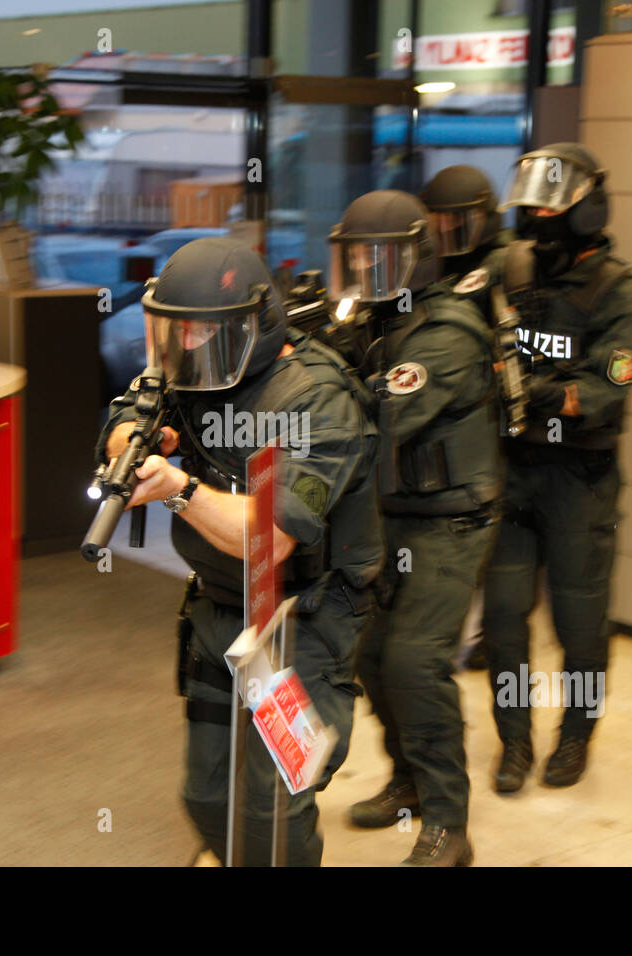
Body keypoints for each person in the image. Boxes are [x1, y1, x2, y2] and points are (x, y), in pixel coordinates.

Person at [95, 237, 382, 866]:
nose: (183, 349)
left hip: (305, 616)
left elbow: (271, 537)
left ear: (253, 326)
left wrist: (175, 487)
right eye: (175, 334)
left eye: (200, 334)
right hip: (220, 605)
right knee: (203, 796)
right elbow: (129, 406)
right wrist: (133, 436)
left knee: (273, 809)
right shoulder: (196, 365)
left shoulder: (318, 400)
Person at [338, 190, 504, 866]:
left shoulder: (448, 334)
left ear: (417, 258)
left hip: (451, 523)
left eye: (380, 258)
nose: (366, 271)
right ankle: (406, 778)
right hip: (392, 518)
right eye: (356, 257)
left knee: (414, 662)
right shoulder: (378, 325)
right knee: (371, 657)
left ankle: (447, 824)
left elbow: (377, 421)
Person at [480, 143, 632, 792]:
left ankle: (575, 738)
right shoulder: (511, 269)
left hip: (579, 480)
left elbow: (604, 389)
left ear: (588, 209)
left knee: (579, 623)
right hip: (514, 470)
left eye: (551, 207)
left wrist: (540, 391)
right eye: (531, 206)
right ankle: (514, 742)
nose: (537, 219)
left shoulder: (619, 291)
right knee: (502, 618)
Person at [419, 163, 509, 673]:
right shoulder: (437, 272)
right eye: (440, 222)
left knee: (486, 539)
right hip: (452, 416)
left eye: (461, 222)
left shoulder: (501, 265)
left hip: (489, 418)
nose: (450, 233)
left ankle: (482, 635)